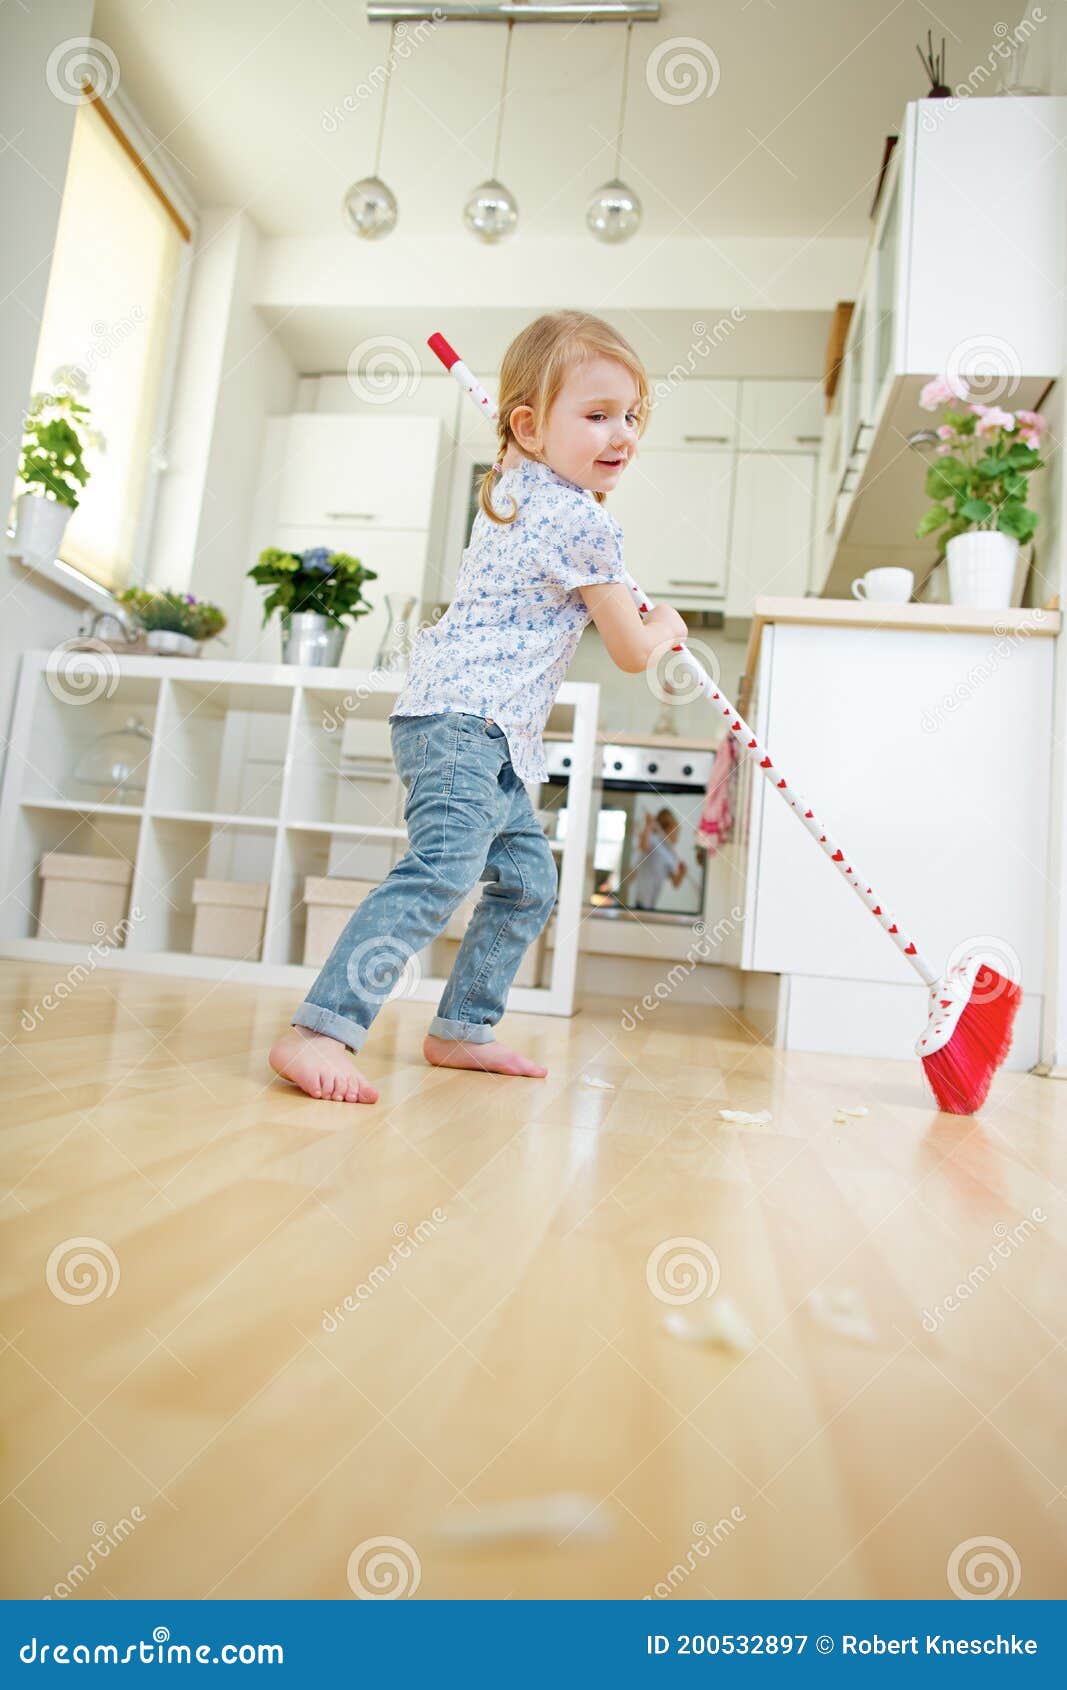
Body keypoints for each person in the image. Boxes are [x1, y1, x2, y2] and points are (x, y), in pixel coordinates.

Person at [269, 310, 689, 1103]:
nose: (621, 434)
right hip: (467, 723)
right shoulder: (583, 523)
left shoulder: (513, 485)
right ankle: (319, 1029)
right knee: (442, 869)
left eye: (630, 416)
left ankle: (461, 1026)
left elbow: (527, 459)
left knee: (527, 881)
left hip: (478, 731)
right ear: (530, 426)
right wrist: (665, 625)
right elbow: (633, 651)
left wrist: (525, 435)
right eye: (595, 415)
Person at [632, 807, 688, 910]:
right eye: (676, 831)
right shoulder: (654, 840)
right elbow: (643, 847)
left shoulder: (671, 854)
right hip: (641, 903)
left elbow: (675, 883)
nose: (677, 836)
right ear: (667, 828)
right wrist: (648, 826)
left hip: (652, 904)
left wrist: (682, 873)